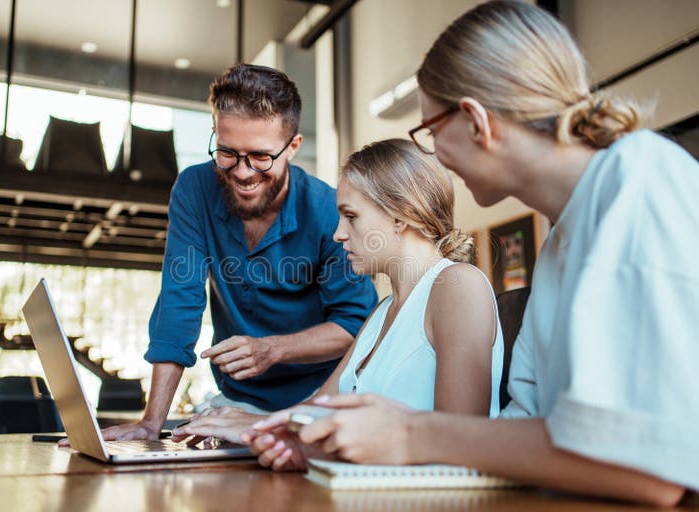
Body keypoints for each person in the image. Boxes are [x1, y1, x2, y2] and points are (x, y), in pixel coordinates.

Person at [249, 1, 699, 506]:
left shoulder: (640, 183)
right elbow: (522, 428)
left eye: (431, 131)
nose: (434, 153)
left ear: (476, 120)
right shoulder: (560, 245)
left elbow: (649, 470)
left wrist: (411, 434)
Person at [93, 63, 377, 442]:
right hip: (241, 400)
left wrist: (272, 350)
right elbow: (180, 302)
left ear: (292, 147)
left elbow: (355, 326)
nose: (242, 173)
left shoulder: (327, 210)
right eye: (227, 152)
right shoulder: (194, 189)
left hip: (322, 398)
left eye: (261, 157)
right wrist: (151, 422)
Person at [181, 138, 504, 470]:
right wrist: (252, 423)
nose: (338, 234)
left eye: (351, 216)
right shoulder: (380, 313)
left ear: (400, 216)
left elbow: (459, 442)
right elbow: (318, 408)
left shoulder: (457, 286)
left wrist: (265, 430)